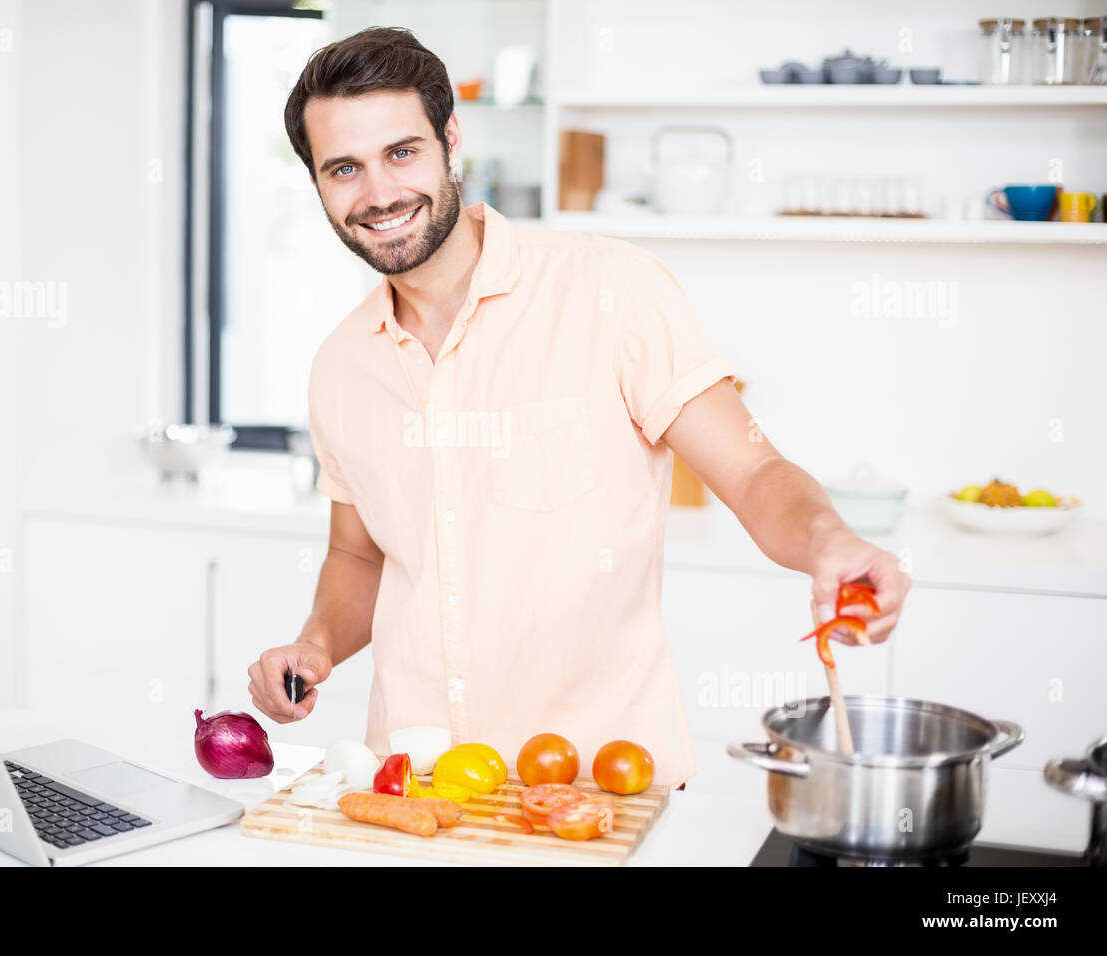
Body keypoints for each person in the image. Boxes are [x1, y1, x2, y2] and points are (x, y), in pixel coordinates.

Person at [247, 27, 911, 787]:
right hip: (416, 787)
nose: (379, 194)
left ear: (450, 138)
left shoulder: (613, 291)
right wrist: (318, 643)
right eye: (344, 168)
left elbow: (753, 470)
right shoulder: (340, 364)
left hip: (601, 788)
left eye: (402, 153)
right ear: (319, 185)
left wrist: (827, 540)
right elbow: (359, 554)